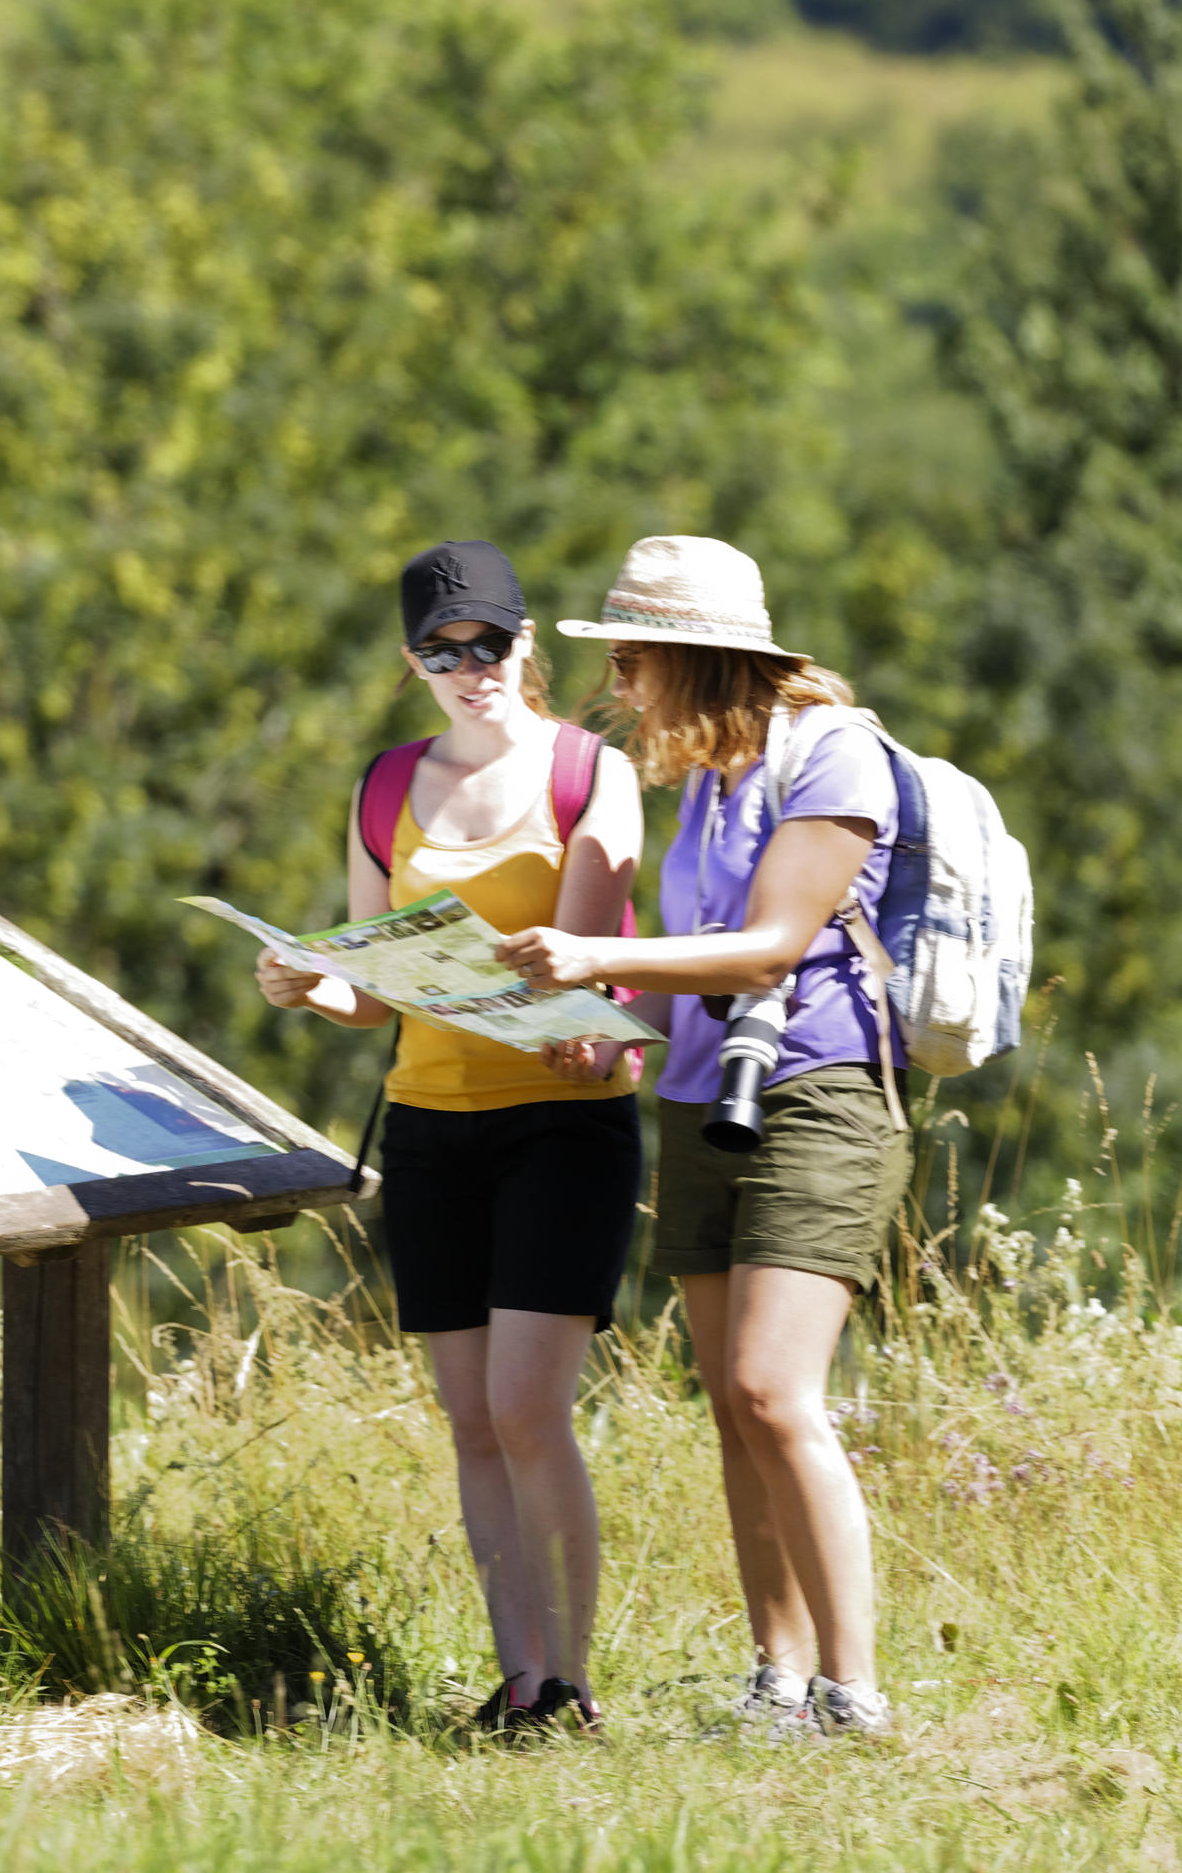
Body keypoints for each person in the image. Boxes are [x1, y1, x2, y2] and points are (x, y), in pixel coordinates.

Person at [496, 534, 908, 1740]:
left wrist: (598, 955)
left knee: (778, 1390)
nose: (621, 685)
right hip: (699, 1094)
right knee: (730, 1400)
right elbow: (693, 972)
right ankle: (776, 1676)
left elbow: (775, 942)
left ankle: (854, 1690)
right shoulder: (716, 777)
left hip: (820, 1091)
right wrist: (612, 1025)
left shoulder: (837, 757)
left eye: (633, 660)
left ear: (696, 659)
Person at [257, 540, 643, 1737]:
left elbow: (578, 981)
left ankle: (573, 1678)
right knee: (471, 1418)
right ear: (411, 660)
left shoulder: (590, 773)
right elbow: (372, 990)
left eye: (488, 644)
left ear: (528, 642)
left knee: (530, 1407)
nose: (469, 668)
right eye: (442, 650)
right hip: (430, 1124)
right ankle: (519, 1675)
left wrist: (576, 1032)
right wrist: (301, 983)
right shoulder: (386, 786)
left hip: (562, 1123)